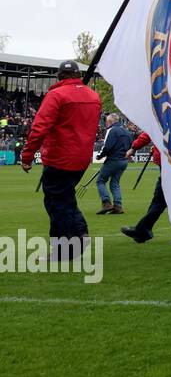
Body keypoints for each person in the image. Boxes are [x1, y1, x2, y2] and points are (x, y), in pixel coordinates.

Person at [20, 61, 101, 258]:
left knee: (57, 203)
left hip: (60, 156)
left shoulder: (56, 95)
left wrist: (27, 155)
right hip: (82, 157)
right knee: (65, 198)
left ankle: (64, 249)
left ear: (59, 76)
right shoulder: (94, 96)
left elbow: (40, 127)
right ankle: (80, 233)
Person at [118, 132, 171, 245]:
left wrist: (134, 147)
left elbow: (150, 130)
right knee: (160, 199)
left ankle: (144, 230)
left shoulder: (164, 115)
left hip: (170, 161)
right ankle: (143, 230)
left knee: (163, 199)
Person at [94, 113, 131, 215]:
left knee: (100, 181)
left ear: (110, 121)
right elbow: (130, 144)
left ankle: (106, 203)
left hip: (113, 160)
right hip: (123, 160)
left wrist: (100, 156)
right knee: (115, 183)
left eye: (106, 122)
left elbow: (107, 146)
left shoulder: (111, 130)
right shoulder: (126, 131)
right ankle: (118, 206)